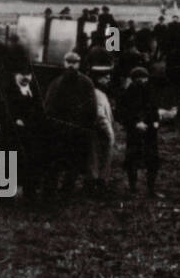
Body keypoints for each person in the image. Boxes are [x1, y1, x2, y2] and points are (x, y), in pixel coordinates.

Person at [43, 51, 99, 195]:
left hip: (78, 130)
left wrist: (87, 127)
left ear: (79, 64)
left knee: (74, 162)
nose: (71, 66)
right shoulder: (56, 82)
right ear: (64, 63)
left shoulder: (86, 83)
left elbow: (92, 107)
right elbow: (48, 106)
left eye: (74, 63)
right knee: (54, 161)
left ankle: (67, 190)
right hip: (59, 130)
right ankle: (50, 191)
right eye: (69, 62)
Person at [1, 69, 45, 202]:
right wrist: (14, 120)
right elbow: (2, 110)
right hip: (11, 134)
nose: (26, 78)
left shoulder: (34, 91)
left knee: (30, 163)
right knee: (9, 162)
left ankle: (29, 195)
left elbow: (40, 110)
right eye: (22, 74)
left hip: (30, 134)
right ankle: (6, 197)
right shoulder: (8, 90)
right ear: (15, 75)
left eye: (28, 75)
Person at [120, 66, 163, 195]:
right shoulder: (127, 94)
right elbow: (122, 113)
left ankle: (151, 189)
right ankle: (132, 188)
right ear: (133, 80)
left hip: (150, 131)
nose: (142, 82)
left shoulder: (150, 92)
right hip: (134, 131)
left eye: (144, 79)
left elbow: (154, 109)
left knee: (153, 159)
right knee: (132, 159)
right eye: (139, 79)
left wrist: (155, 122)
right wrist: (134, 124)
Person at [88, 65, 117, 196]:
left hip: (98, 131)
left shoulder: (98, 92)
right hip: (100, 132)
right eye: (106, 77)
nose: (109, 79)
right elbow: (100, 115)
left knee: (97, 158)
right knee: (99, 158)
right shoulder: (97, 94)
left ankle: (97, 183)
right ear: (99, 79)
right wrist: (109, 131)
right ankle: (97, 185)